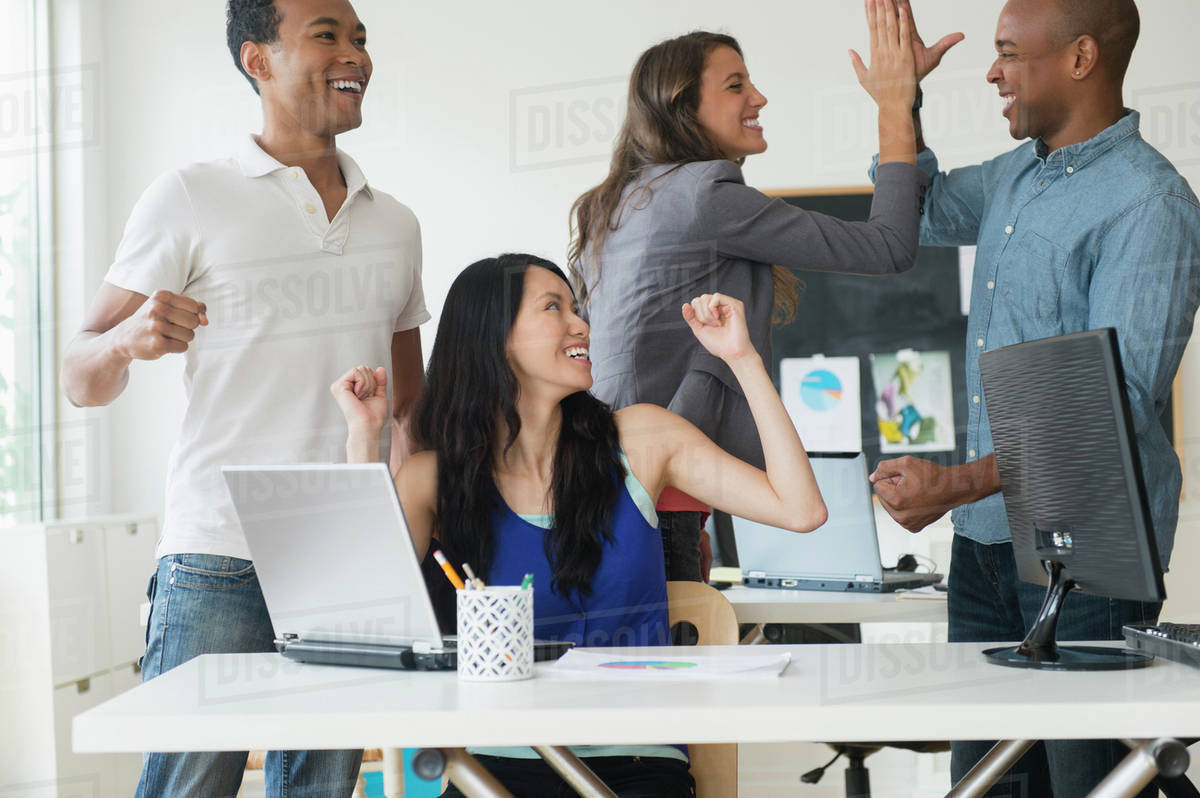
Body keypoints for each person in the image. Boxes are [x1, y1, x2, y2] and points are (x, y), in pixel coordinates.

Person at [59, 0, 430, 795]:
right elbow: (78, 376)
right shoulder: (190, 195)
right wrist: (128, 340)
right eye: (326, 35)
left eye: (360, 38)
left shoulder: (395, 224)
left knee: (322, 788)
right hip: (218, 546)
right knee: (191, 784)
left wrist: (406, 546)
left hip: (342, 551)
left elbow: (410, 410)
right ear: (257, 60)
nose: (354, 55)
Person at [330, 254, 827, 797]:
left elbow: (800, 510)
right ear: (494, 339)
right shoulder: (436, 478)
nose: (581, 324)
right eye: (553, 307)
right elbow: (363, 614)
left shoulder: (641, 440)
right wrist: (366, 439)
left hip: (634, 765)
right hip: (494, 765)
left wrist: (742, 358)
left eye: (576, 307)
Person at [867, 1, 1200, 795]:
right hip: (983, 548)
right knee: (983, 783)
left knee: (1089, 783)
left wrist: (953, 482)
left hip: (1087, 566)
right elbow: (916, 206)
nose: (991, 72)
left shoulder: (1151, 205)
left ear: (1082, 58)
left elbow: (1108, 410)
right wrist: (897, 102)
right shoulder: (1019, 174)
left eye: (1009, 54)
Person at [569, 0, 947, 583]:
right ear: (683, 107)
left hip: (614, 486)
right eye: (735, 85)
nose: (759, 98)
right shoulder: (703, 193)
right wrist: (896, 105)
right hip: (663, 497)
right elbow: (890, 246)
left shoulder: (616, 202)